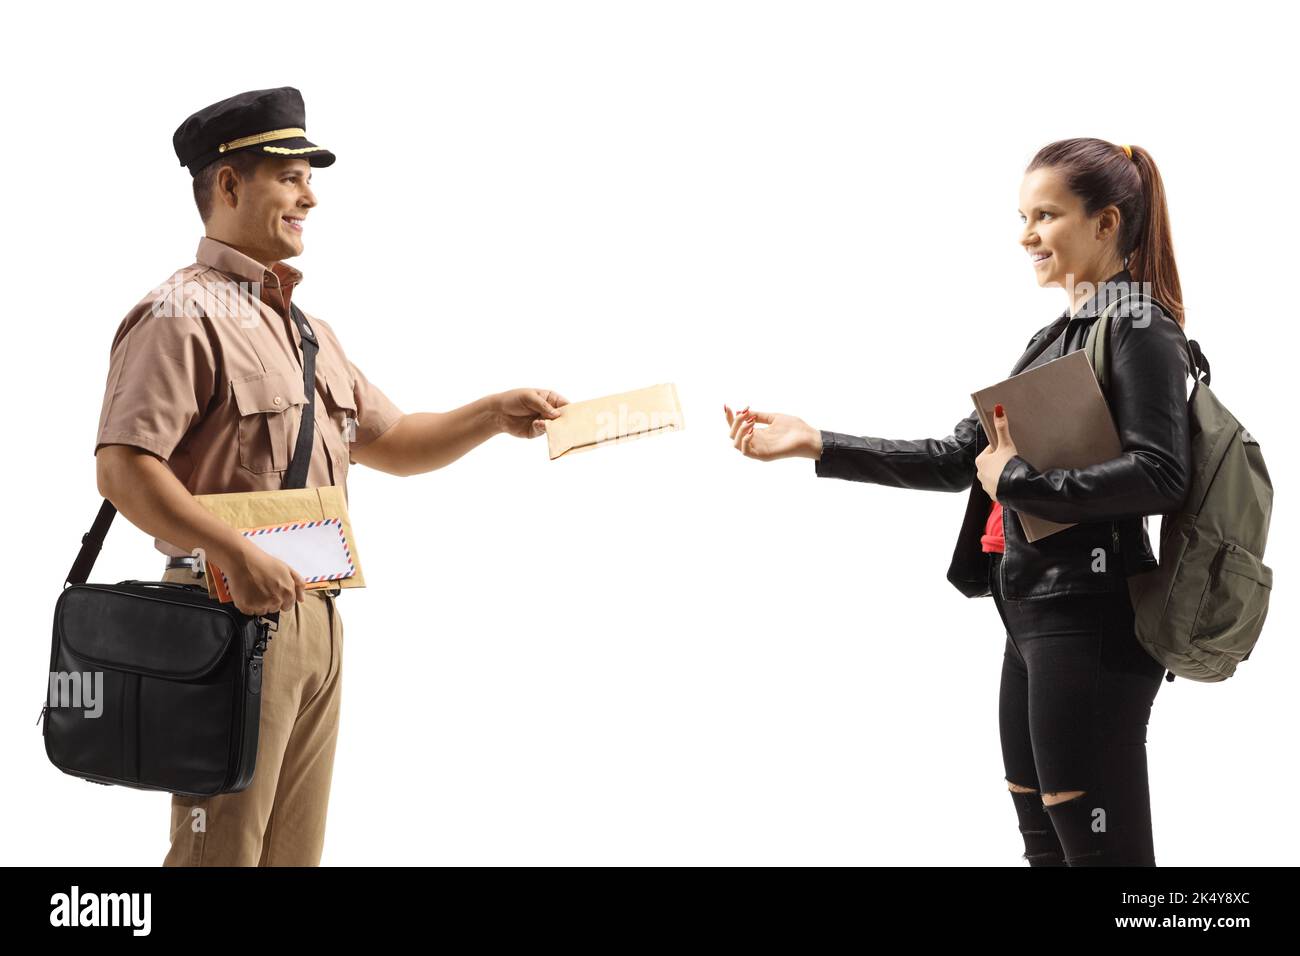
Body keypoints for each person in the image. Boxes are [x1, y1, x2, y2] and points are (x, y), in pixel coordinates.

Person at [94, 86, 568, 866]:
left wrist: (492, 413)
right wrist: (237, 553)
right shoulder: (179, 313)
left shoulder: (311, 333)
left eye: (310, 175)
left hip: (313, 616)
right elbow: (123, 467)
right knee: (221, 849)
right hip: (222, 608)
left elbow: (398, 441)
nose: (310, 194)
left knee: (291, 856)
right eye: (290, 174)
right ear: (228, 184)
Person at [722, 138, 1193, 866]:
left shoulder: (1139, 327)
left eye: (1046, 215)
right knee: (1044, 839)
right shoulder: (1053, 339)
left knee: (1103, 856)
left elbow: (1161, 475)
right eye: (1022, 216)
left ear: (1106, 223)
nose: (1026, 235)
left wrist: (1024, 483)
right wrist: (815, 441)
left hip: (1092, 620)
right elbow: (957, 459)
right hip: (1030, 614)